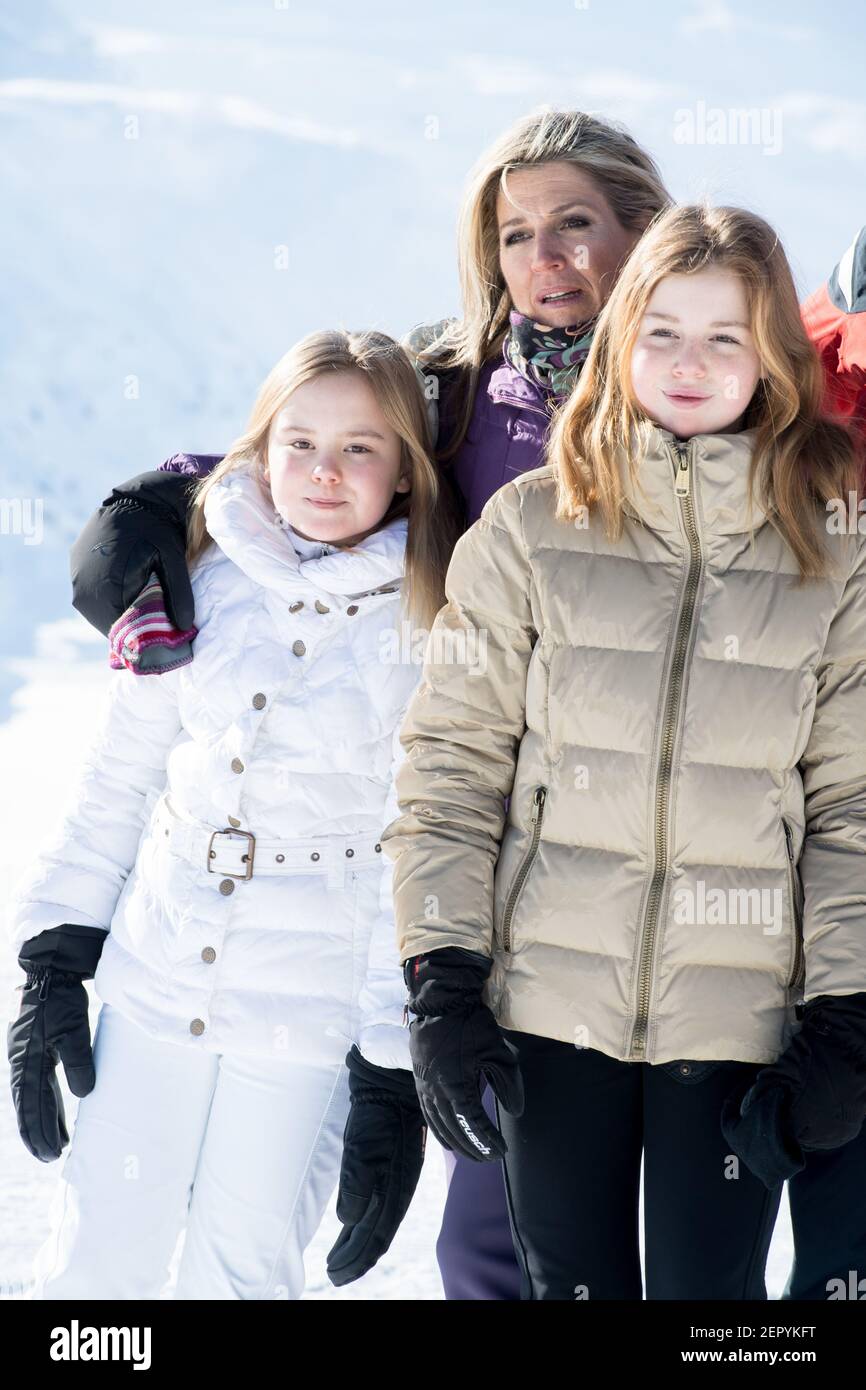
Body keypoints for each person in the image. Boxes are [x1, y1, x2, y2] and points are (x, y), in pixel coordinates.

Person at [62, 107, 866, 1300]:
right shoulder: (455, 393)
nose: (543, 255)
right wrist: (163, 493)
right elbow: (319, 444)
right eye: (514, 232)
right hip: (513, 921)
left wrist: (840, 1012)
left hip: (730, 967)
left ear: (640, 231)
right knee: (496, 1246)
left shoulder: (786, 454)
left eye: (574, 224)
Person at [381, 203, 866, 1300]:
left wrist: (844, 1015)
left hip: (735, 1025)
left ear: (773, 360)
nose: (687, 364)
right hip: (545, 1016)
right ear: (620, 337)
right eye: (661, 331)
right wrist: (441, 981)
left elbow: (850, 807)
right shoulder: (527, 528)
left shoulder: (831, 554)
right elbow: (450, 771)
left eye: (724, 337)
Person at [5, 329, 462, 1299]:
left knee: (242, 1270)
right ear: (259, 447)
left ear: (405, 474)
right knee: (98, 1262)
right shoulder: (198, 573)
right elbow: (120, 775)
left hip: (298, 1020)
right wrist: (55, 950)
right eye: (298, 442)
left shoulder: (422, 622)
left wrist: (385, 1063)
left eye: (359, 448)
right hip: (156, 978)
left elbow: (408, 850)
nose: (323, 472)